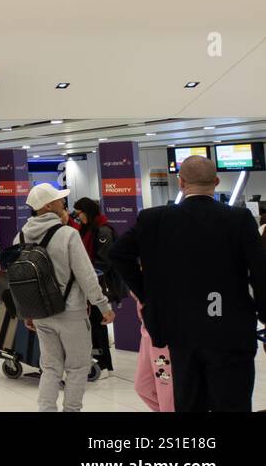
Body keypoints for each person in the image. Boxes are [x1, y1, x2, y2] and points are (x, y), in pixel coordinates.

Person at [112, 155, 266, 412]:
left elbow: (118, 254)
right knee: (233, 403)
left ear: (181, 182)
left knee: (188, 402)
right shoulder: (239, 219)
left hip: (179, 331)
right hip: (230, 331)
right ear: (216, 181)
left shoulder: (154, 219)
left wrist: (147, 294)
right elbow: (260, 272)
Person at [18, 183, 114, 412]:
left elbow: (19, 279)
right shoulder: (67, 234)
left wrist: (28, 311)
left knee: (50, 368)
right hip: (71, 312)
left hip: (41, 312)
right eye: (60, 200)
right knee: (77, 367)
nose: (64, 204)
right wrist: (103, 306)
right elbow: (86, 275)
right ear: (48, 206)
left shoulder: (20, 236)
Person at [70, 197, 119, 375]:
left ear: (87, 212)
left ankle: (104, 363)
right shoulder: (84, 230)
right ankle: (96, 360)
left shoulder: (103, 231)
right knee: (92, 323)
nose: (77, 217)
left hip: (99, 284)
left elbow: (104, 262)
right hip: (89, 284)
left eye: (79, 213)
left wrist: (87, 277)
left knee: (99, 323)